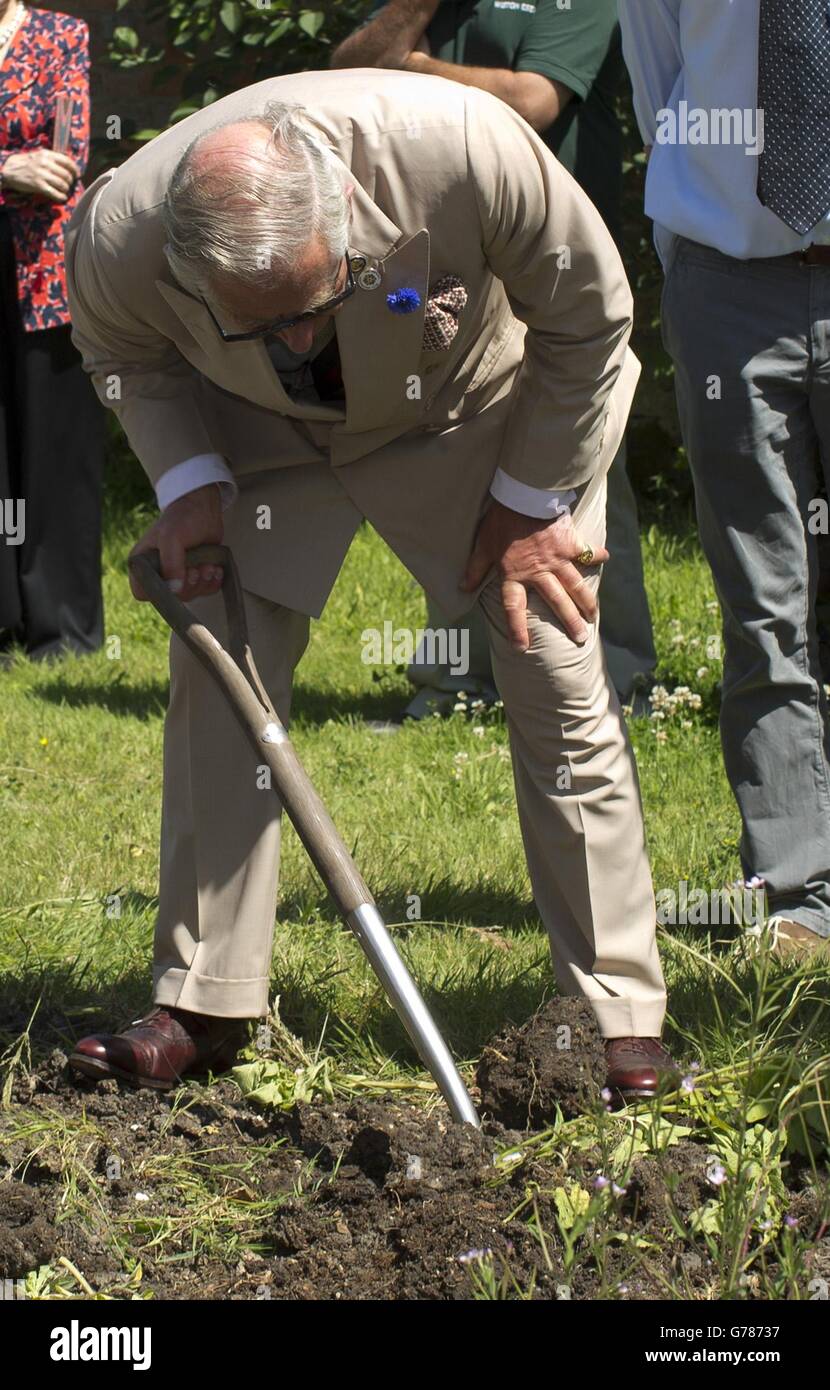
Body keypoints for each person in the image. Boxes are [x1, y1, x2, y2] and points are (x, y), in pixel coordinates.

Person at [63, 68, 676, 1100]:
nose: (302, 339)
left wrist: (530, 503)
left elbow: (587, 316)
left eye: (311, 306)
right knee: (221, 667)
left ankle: (613, 1016)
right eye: (265, 320)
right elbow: (119, 355)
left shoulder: (466, 151)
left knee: (550, 653)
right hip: (259, 426)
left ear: (345, 216)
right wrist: (189, 483)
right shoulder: (119, 236)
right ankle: (205, 997)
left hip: (467, 401)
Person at [332, 0, 656, 714]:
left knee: (588, 463)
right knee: (446, 458)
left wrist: (412, 68)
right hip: (445, 265)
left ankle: (617, 672)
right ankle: (458, 679)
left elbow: (533, 100)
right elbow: (345, 75)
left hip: (555, 266)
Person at [619, 0, 830, 957]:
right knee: (764, 599)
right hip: (730, 285)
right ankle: (799, 896)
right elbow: (659, 85)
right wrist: (691, 256)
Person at [0, 2, 104, 660]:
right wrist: (7, 170)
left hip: (42, 269)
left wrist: (28, 172)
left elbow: (66, 162)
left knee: (55, 450)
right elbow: (27, 170)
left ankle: (61, 629)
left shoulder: (62, 36)